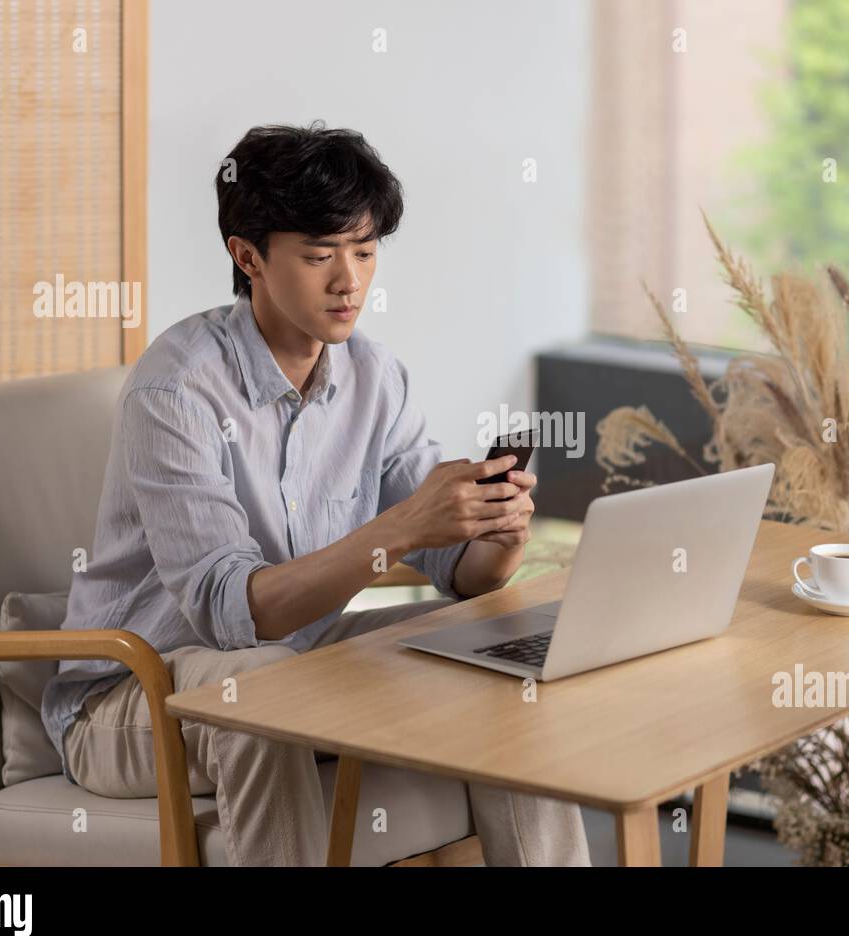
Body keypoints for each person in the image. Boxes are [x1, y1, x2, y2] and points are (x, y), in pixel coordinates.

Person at [40, 121, 591, 867]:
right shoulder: (176, 388)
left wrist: (494, 533)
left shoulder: (375, 376)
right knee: (263, 694)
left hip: (296, 659)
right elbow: (232, 612)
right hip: (133, 691)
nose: (349, 280)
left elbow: (462, 572)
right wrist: (402, 526)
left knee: (490, 648)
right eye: (320, 253)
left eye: (364, 252)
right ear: (248, 257)